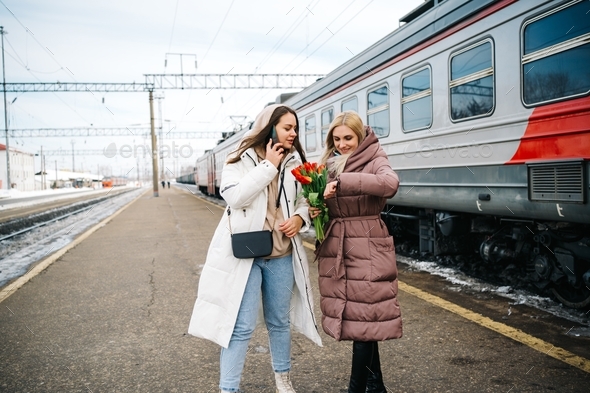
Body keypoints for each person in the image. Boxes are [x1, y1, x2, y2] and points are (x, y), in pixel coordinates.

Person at [188, 104, 322, 393]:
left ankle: (283, 380)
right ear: (270, 127)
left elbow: (304, 199)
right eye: (288, 128)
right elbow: (235, 197)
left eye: (295, 128)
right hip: (246, 255)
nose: (293, 133)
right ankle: (229, 389)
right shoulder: (240, 158)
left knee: (279, 322)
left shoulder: (296, 160)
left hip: (281, 253)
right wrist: (268, 167)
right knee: (241, 326)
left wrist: (300, 218)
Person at [310, 110, 402, 393]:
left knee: (364, 321)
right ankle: (376, 386)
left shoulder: (376, 158)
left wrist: (345, 180)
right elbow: (329, 207)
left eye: (348, 137)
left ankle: (356, 389)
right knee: (363, 319)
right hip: (339, 245)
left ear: (360, 135)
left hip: (368, 246)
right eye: (336, 139)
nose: (342, 144)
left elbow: (390, 184)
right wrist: (318, 208)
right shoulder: (329, 163)